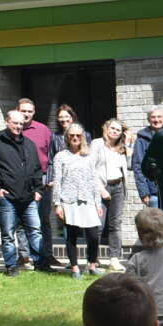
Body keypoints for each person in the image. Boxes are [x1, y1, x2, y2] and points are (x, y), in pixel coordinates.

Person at [0, 110, 43, 277]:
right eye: (15, 123)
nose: (18, 126)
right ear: (7, 122)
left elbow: (37, 169)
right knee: (8, 234)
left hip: (29, 196)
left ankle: (40, 263)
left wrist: (38, 190)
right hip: (6, 197)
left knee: (35, 230)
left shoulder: (29, 144)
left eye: (21, 124)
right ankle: (11, 266)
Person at [52, 123, 104, 279]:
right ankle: (74, 268)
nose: (75, 138)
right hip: (69, 200)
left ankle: (92, 265)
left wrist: (98, 202)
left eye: (78, 135)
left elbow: (94, 180)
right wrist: (57, 204)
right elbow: (57, 180)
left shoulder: (90, 156)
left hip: (88, 199)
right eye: (71, 135)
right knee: (72, 235)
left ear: (83, 137)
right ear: (67, 137)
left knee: (93, 235)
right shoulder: (60, 156)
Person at [43, 105, 91, 269]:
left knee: (90, 229)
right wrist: (51, 180)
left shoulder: (85, 135)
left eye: (66, 116)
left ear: (73, 117)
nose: (64, 119)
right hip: (64, 186)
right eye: (61, 117)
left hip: (84, 189)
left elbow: (90, 161)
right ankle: (73, 263)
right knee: (70, 228)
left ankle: (91, 261)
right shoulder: (55, 138)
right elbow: (50, 161)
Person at [15, 97, 52, 269]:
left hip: (42, 179)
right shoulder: (14, 130)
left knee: (43, 220)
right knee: (23, 221)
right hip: (21, 181)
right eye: (24, 111)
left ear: (34, 112)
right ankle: (25, 256)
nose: (27, 114)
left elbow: (52, 156)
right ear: (18, 111)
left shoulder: (43, 130)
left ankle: (46, 255)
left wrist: (51, 177)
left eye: (30, 111)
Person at [92, 119, 132, 271]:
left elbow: (129, 166)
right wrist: (100, 188)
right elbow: (91, 168)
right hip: (102, 186)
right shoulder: (97, 144)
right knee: (98, 224)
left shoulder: (122, 147)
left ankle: (114, 259)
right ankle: (93, 258)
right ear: (106, 128)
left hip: (118, 186)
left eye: (118, 130)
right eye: (113, 128)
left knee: (115, 224)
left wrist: (128, 144)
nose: (115, 131)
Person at [131, 108, 163, 210]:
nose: (156, 120)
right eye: (153, 117)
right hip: (152, 191)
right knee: (155, 222)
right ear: (149, 120)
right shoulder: (141, 140)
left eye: (159, 117)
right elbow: (138, 167)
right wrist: (144, 192)